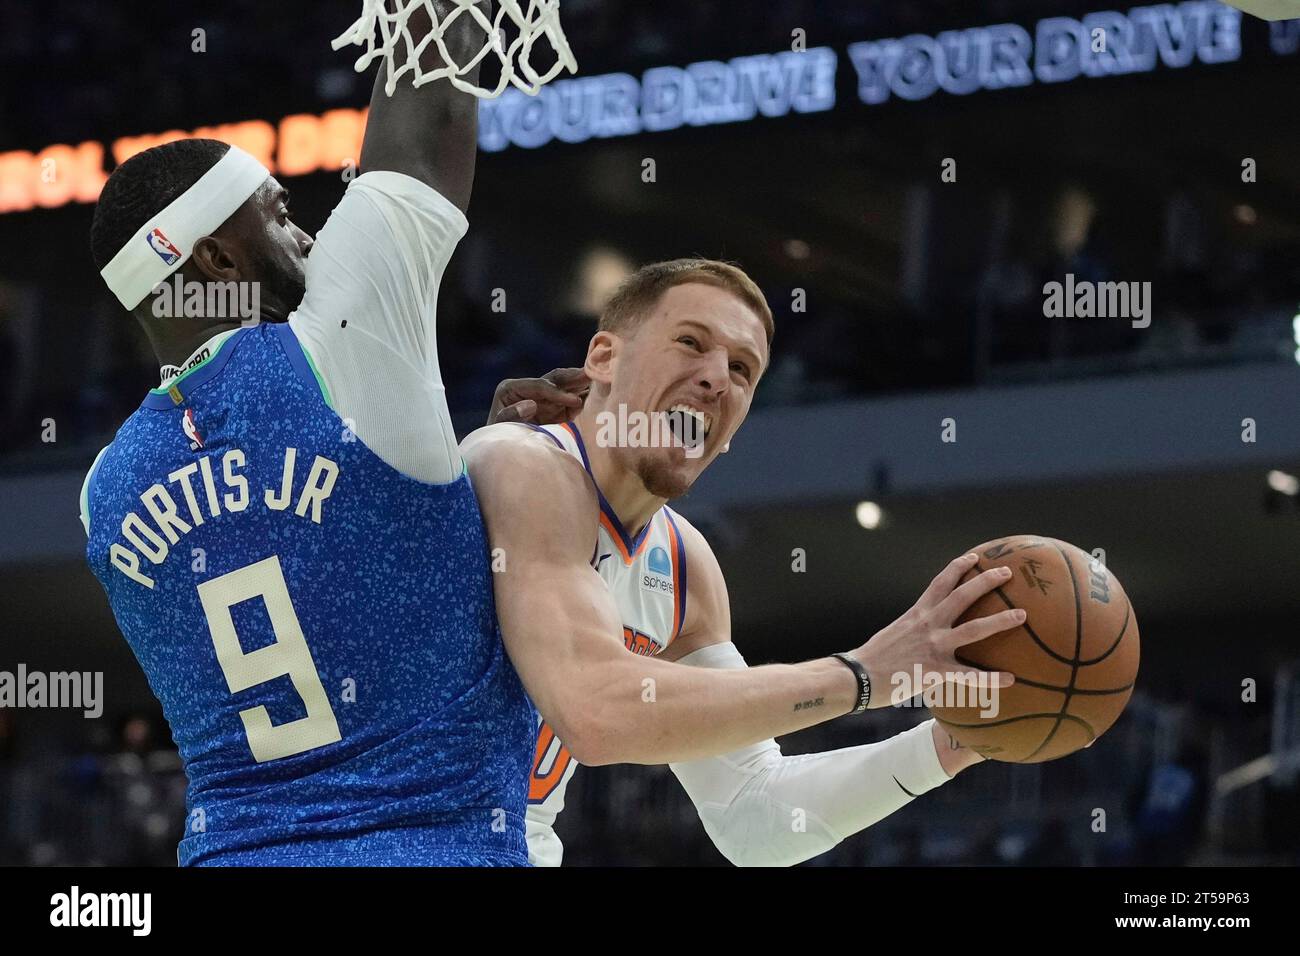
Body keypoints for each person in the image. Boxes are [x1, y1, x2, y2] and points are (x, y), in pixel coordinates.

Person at [79, 3, 538, 865]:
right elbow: (434, 100)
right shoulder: (341, 340)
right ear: (218, 258)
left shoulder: (102, 485)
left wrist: (440, 446)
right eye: (279, 212)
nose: (307, 231)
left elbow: (323, 543)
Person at [467, 258, 1023, 866]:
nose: (715, 379)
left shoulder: (682, 565)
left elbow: (753, 815)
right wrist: (863, 674)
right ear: (603, 357)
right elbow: (594, 711)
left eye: (741, 369)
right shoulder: (520, 460)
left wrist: (952, 742)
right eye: (689, 343)